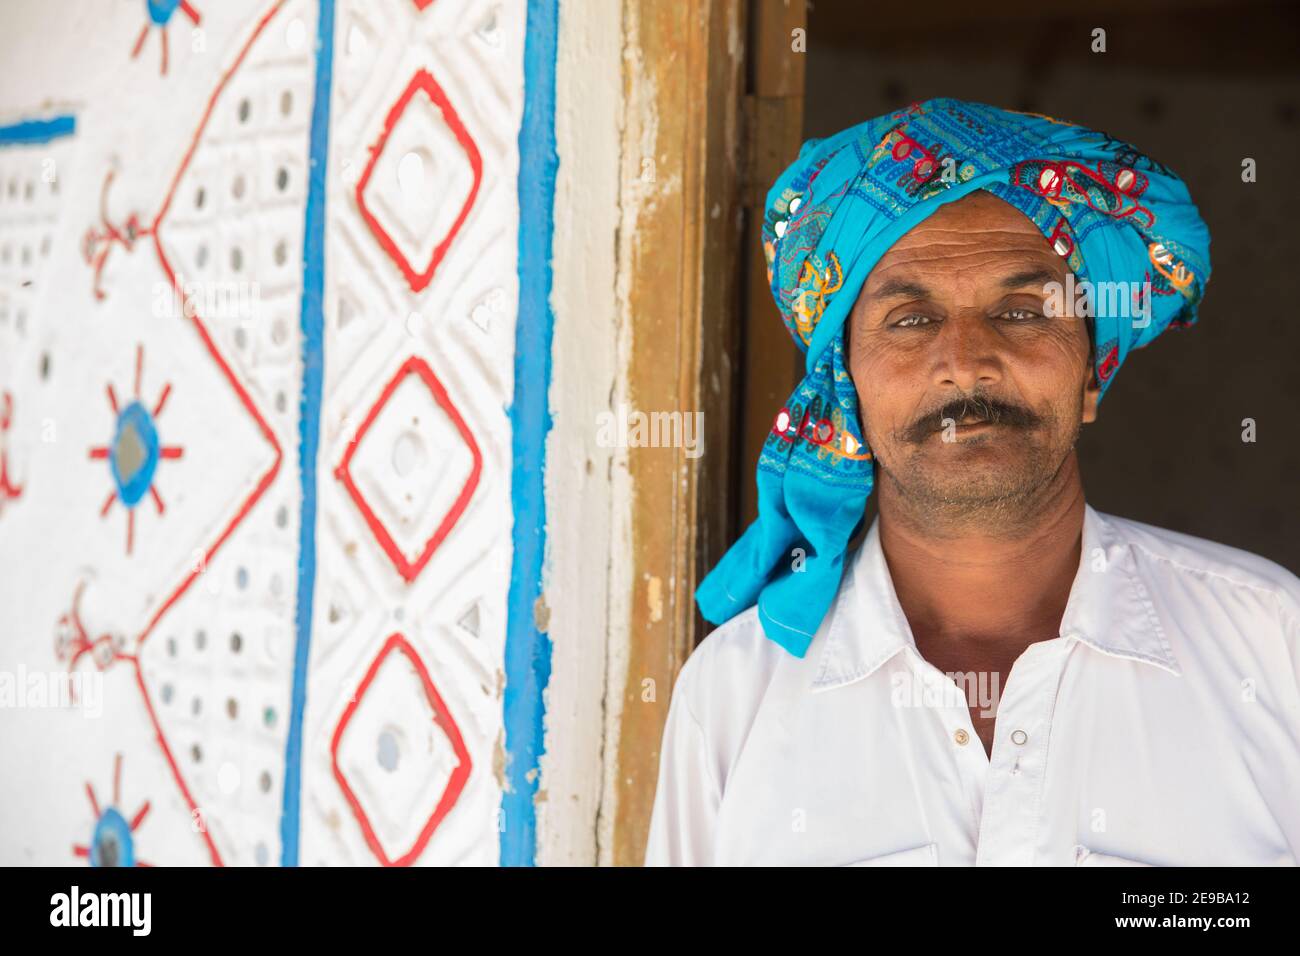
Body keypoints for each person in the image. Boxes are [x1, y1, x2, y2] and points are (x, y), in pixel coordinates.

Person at [644, 99, 1300, 866]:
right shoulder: (734, 698)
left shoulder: (1272, 649)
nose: (967, 361)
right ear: (846, 385)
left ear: (1091, 373)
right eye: (910, 320)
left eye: (1022, 312)